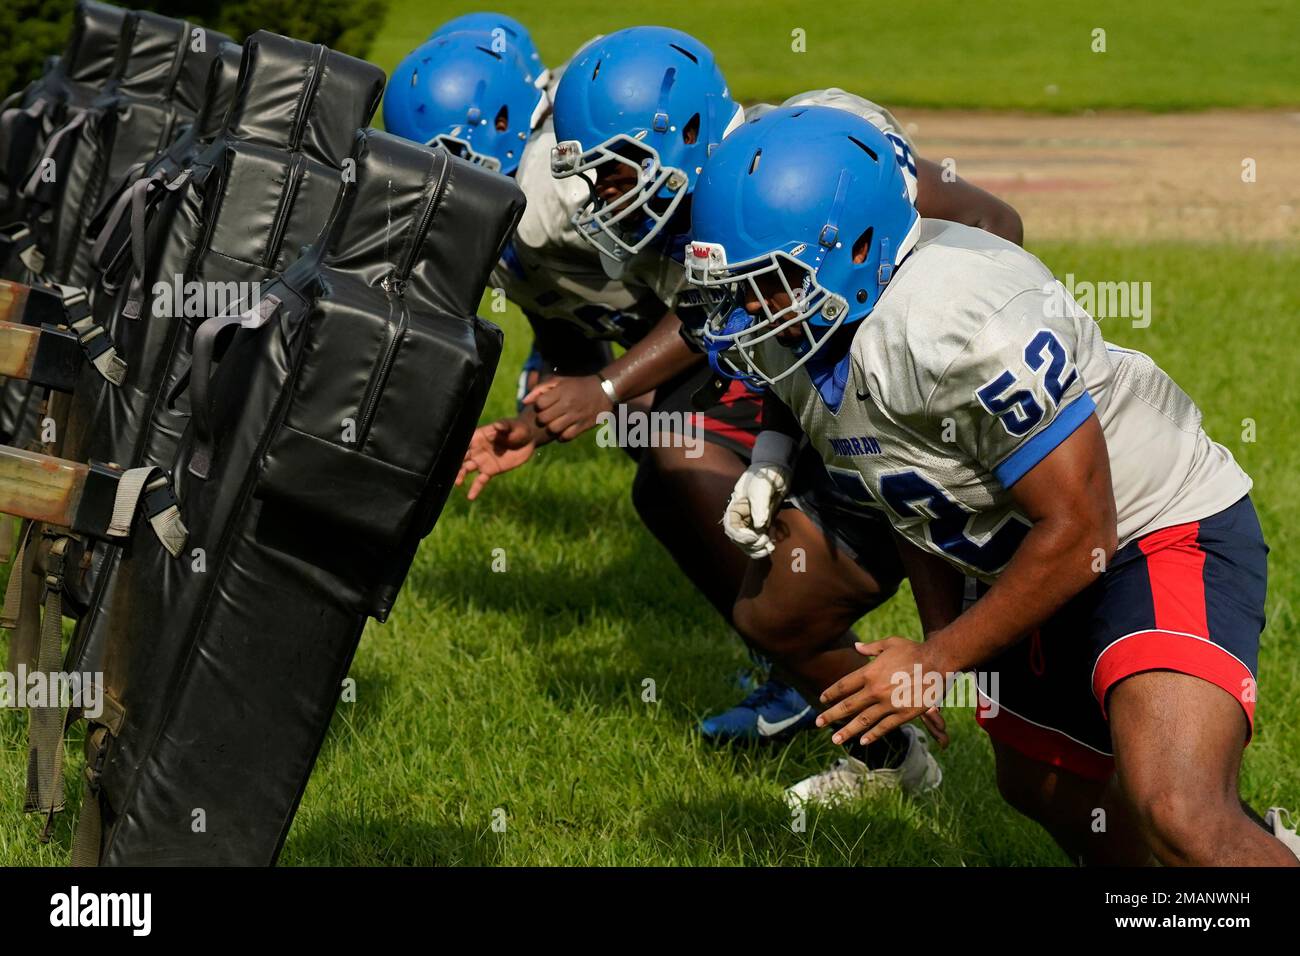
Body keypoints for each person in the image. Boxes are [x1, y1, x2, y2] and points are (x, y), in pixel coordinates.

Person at [686, 104, 1298, 864]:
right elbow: (911, 502)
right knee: (1052, 794)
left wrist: (936, 662)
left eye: (767, 285)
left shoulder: (956, 319)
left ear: (860, 249)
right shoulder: (815, 344)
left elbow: (1081, 528)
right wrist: (946, 645)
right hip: (1024, 556)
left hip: (1152, 529)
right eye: (732, 288)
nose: (743, 314)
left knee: (1176, 809)